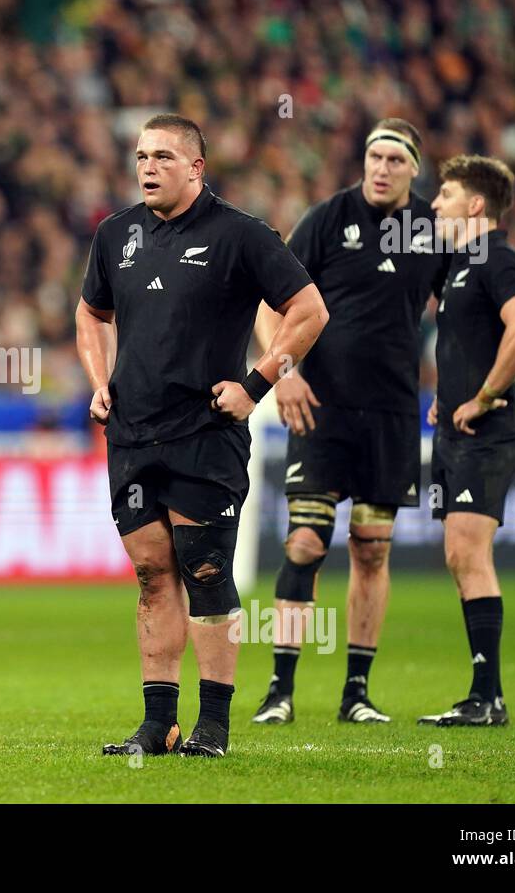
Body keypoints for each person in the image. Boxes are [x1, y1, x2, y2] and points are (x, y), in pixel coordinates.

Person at [76, 114, 328, 757]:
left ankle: (213, 726)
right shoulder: (115, 234)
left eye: (162, 156)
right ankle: (157, 724)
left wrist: (258, 383)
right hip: (131, 434)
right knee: (153, 576)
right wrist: (99, 379)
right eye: (140, 156)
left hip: (205, 432)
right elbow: (90, 312)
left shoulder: (241, 235)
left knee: (207, 570)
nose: (147, 167)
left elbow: (309, 310)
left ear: (196, 167)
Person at [250, 119, 447, 725]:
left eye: (394, 159)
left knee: (371, 549)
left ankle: (355, 692)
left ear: (415, 169)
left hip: (391, 412)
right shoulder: (327, 219)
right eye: (373, 155)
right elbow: (268, 303)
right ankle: (280, 691)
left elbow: (460, 306)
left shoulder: (432, 231)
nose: (381, 167)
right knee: (306, 541)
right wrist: (284, 373)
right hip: (321, 408)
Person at [420, 155, 515, 726]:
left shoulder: (497, 257)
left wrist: (487, 395)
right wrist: (450, 396)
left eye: (445, 194)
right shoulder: (460, 265)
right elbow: (471, 341)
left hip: (486, 433)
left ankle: (487, 698)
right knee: (457, 554)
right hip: (454, 431)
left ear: (475, 205)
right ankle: (482, 695)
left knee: (469, 553)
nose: (436, 204)